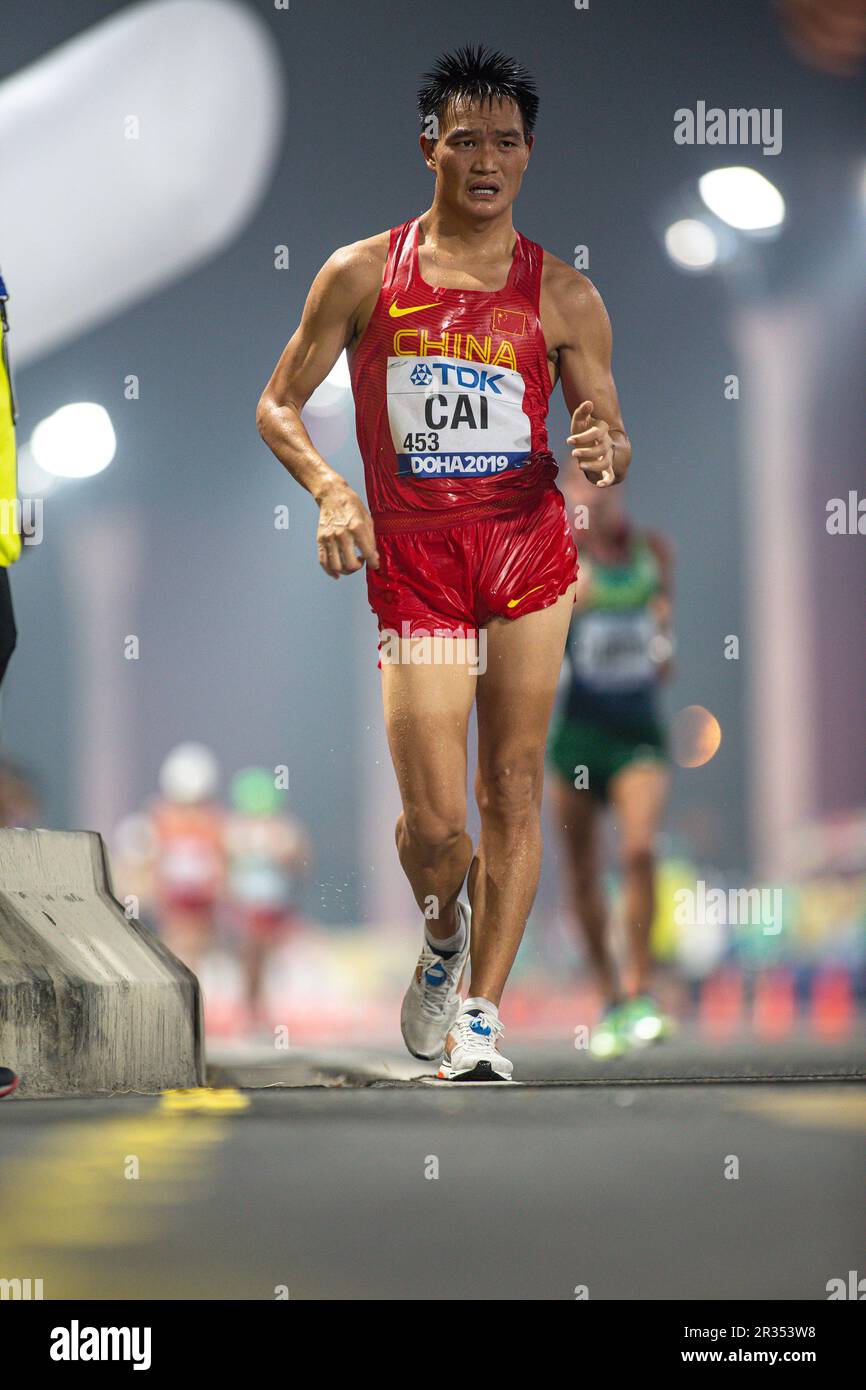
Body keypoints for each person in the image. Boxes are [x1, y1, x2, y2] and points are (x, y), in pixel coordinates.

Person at [257, 46, 631, 1080]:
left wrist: (603, 448)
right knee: (435, 827)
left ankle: (479, 1018)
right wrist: (333, 491)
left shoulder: (561, 292)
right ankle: (440, 940)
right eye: (464, 139)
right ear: (428, 147)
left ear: (526, 156)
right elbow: (276, 405)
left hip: (523, 548)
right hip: (415, 564)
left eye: (505, 142)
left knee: (510, 784)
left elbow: (608, 432)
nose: (485, 159)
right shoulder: (361, 273)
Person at [547, 469, 674, 1057]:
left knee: (640, 850)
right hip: (577, 737)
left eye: (602, 490)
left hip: (637, 734)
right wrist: (567, 609)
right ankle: (609, 999)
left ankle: (643, 991)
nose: (592, 501)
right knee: (582, 874)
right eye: (581, 492)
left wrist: (658, 639)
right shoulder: (557, 558)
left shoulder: (652, 554)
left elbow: (663, 647)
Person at [225, 767, 310, 1030]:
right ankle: (251, 1009)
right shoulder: (233, 829)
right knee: (251, 956)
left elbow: (299, 863)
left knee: (269, 957)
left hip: (274, 905)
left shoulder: (283, 828)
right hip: (246, 905)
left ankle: (262, 1009)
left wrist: (282, 851)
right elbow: (223, 867)